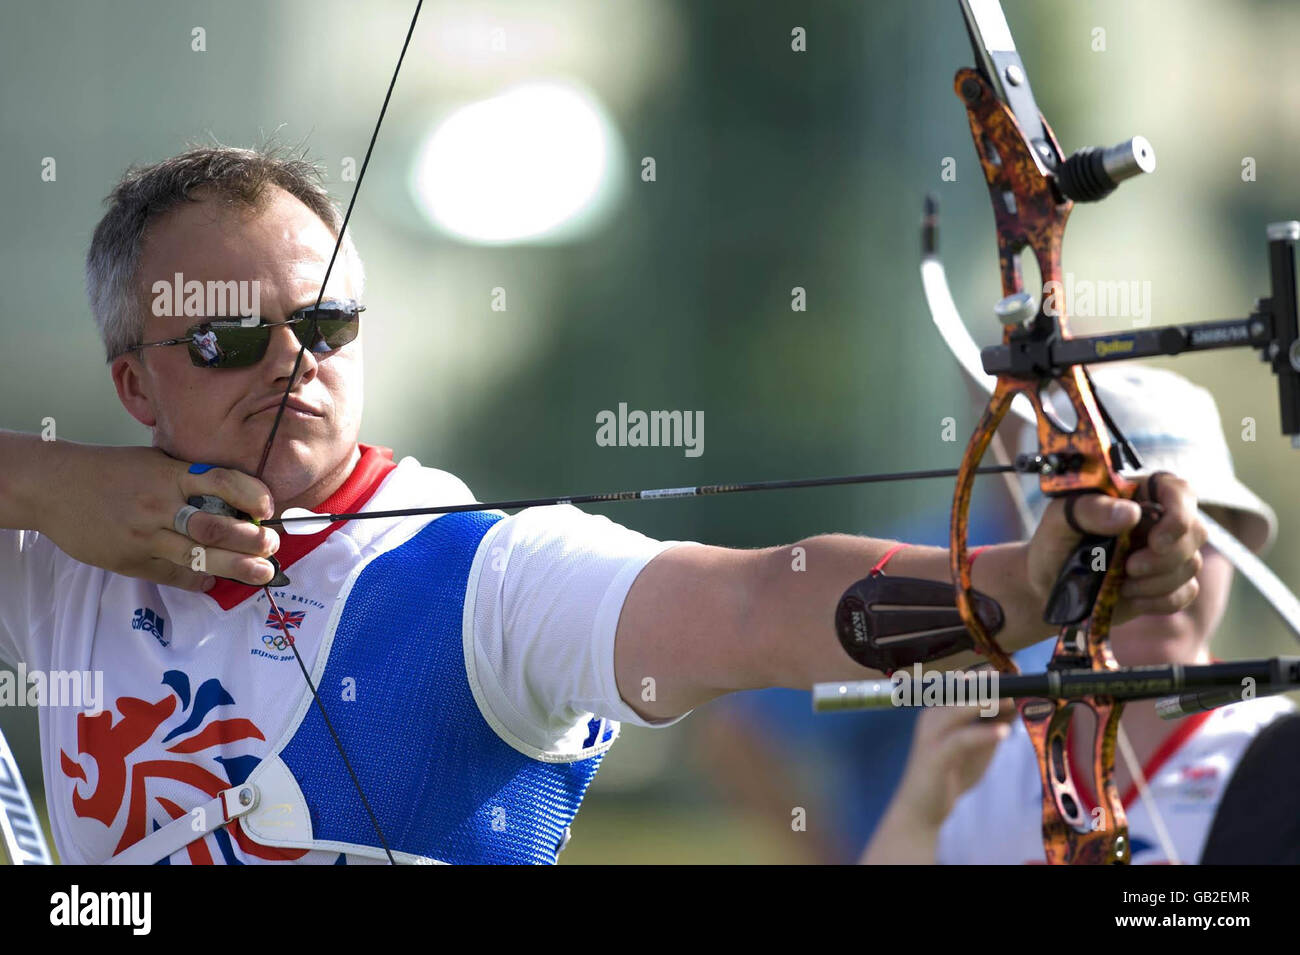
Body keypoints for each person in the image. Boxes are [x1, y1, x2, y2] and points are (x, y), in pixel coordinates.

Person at [0, 147, 1207, 865]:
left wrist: (1015, 581)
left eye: (322, 325)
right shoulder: (54, 559)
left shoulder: (482, 573)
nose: (291, 363)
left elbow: (751, 604)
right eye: (226, 337)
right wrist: (42, 480)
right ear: (132, 384)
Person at [862, 365, 1294, 865]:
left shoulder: (1282, 759)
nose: (1160, 566)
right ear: (1041, 559)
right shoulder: (976, 765)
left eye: (1193, 533)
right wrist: (917, 815)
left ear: (1236, 547)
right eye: (1119, 532)